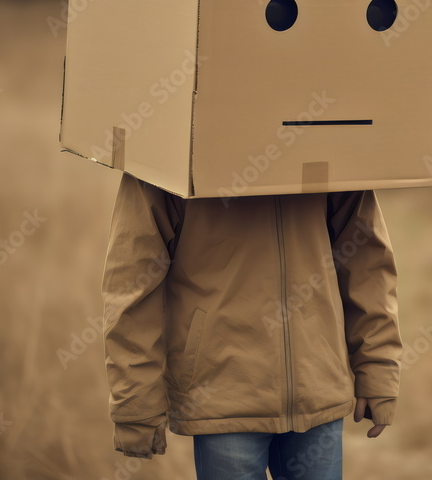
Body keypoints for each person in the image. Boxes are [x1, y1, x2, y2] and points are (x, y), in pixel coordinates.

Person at [102, 172, 401, 479]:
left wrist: (378, 369)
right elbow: (131, 286)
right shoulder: (167, 149)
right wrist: (135, 408)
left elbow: (368, 265)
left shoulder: (328, 137)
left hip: (318, 384)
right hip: (223, 392)